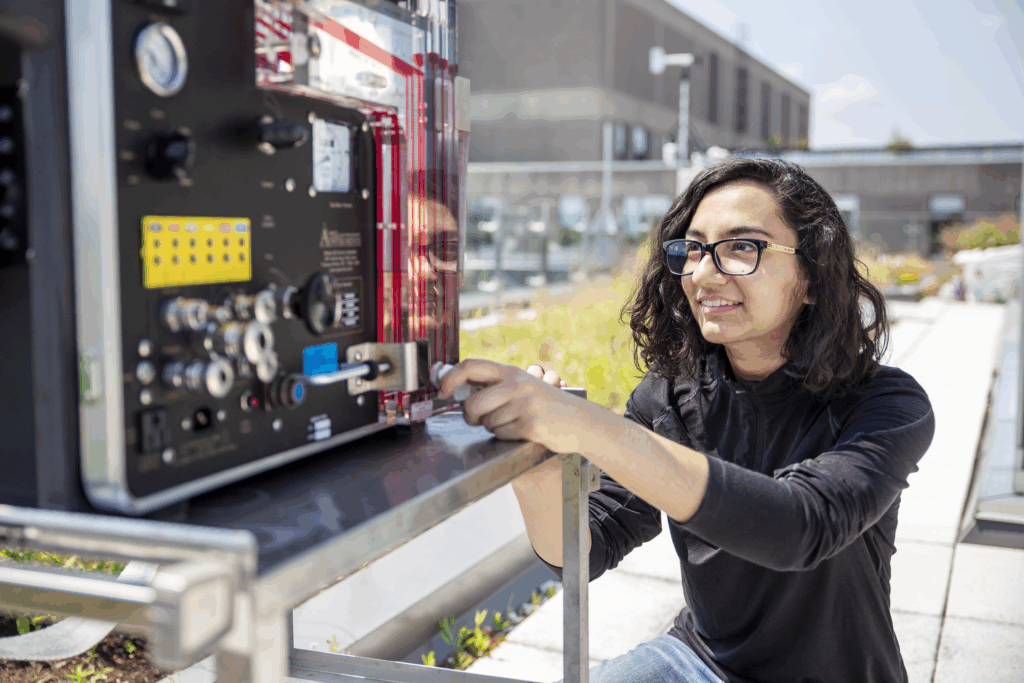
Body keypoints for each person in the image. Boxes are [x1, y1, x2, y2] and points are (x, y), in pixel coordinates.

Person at [438, 157, 935, 683]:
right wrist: (539, 468)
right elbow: (584, 550)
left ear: (812, 276)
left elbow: (802, 526)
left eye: (742, 247)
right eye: (693, 249)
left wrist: (583, 423)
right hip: (701, 659)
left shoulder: (885, 403)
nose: (701, 274)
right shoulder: (669, 398)